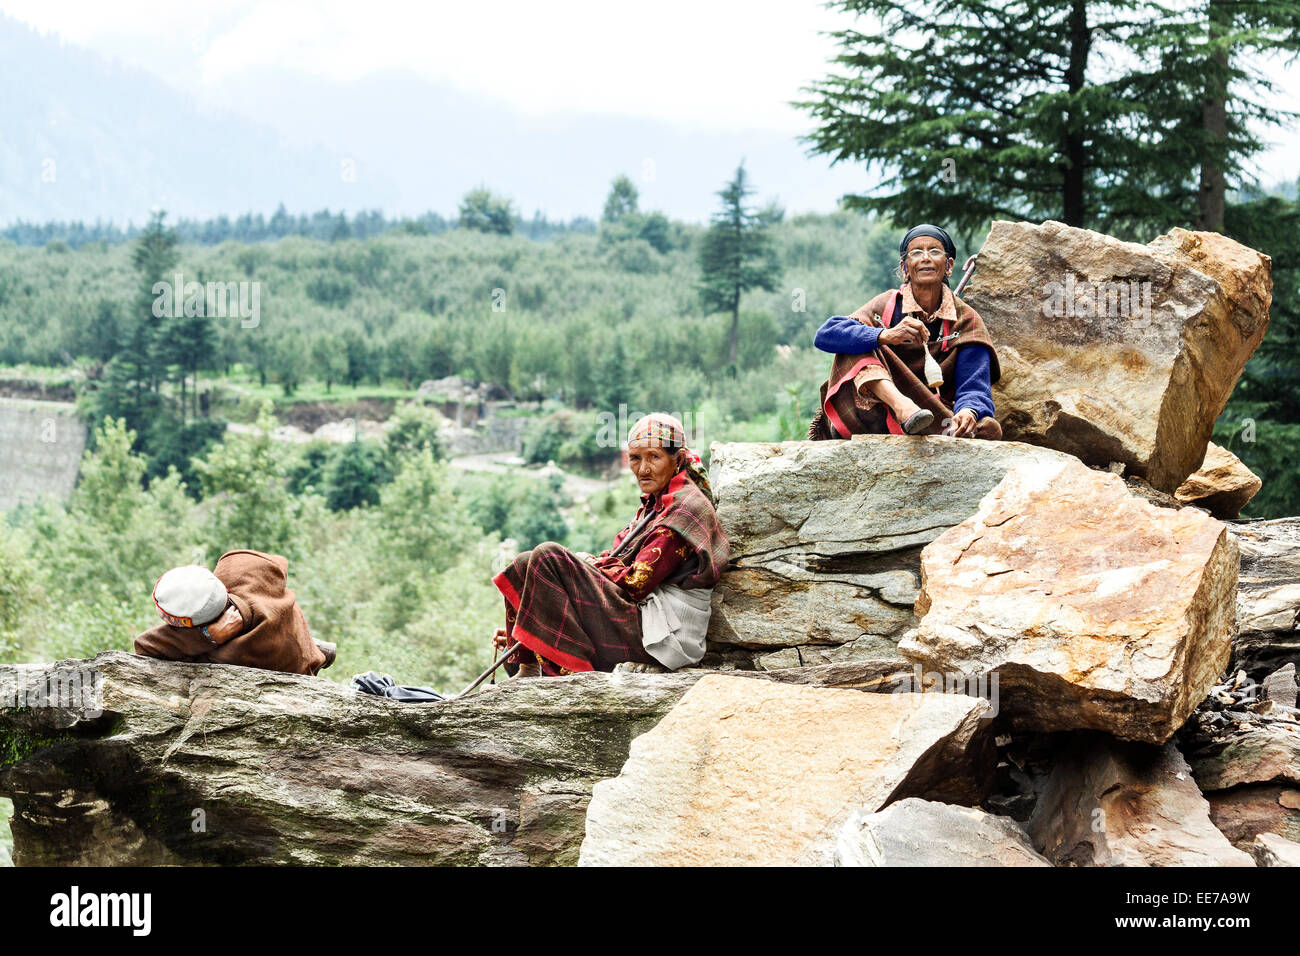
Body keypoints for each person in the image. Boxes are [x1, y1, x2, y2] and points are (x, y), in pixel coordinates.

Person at [491, 413, 730, 677]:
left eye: (654, 457)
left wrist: (585, 564)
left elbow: (636, 582)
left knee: (549, 556)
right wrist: (531, 615)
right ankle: (528, 666)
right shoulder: (655, 503)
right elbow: (614, 562)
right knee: (525, 563)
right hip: (640, 614)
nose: (643, 469)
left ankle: (569, 671)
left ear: (678, 459)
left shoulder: (686, 508)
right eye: (636, 458)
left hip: (661, 635)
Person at [809, 223, 1002, 441]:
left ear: (948, 266)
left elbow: (974, 385)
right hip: (878, 410)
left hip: (933, 415)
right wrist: (885, 335)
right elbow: (826, 334)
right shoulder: (887, 305)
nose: (926, 258)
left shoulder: (966, 320)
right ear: (904, 268)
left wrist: (969, 411)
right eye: (916, 252)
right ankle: (903, 409)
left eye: (935, 251)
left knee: (989, 428)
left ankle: (917, 420)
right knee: (854, 341)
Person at [134, 550, 335, 676]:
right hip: (286, 621)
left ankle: (315, 652)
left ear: (186, 626)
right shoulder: (241, 566)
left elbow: (145, 645)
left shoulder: (224, 656)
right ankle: (314, 646)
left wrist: (209, 636)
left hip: (299, 666)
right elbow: (279, 562)